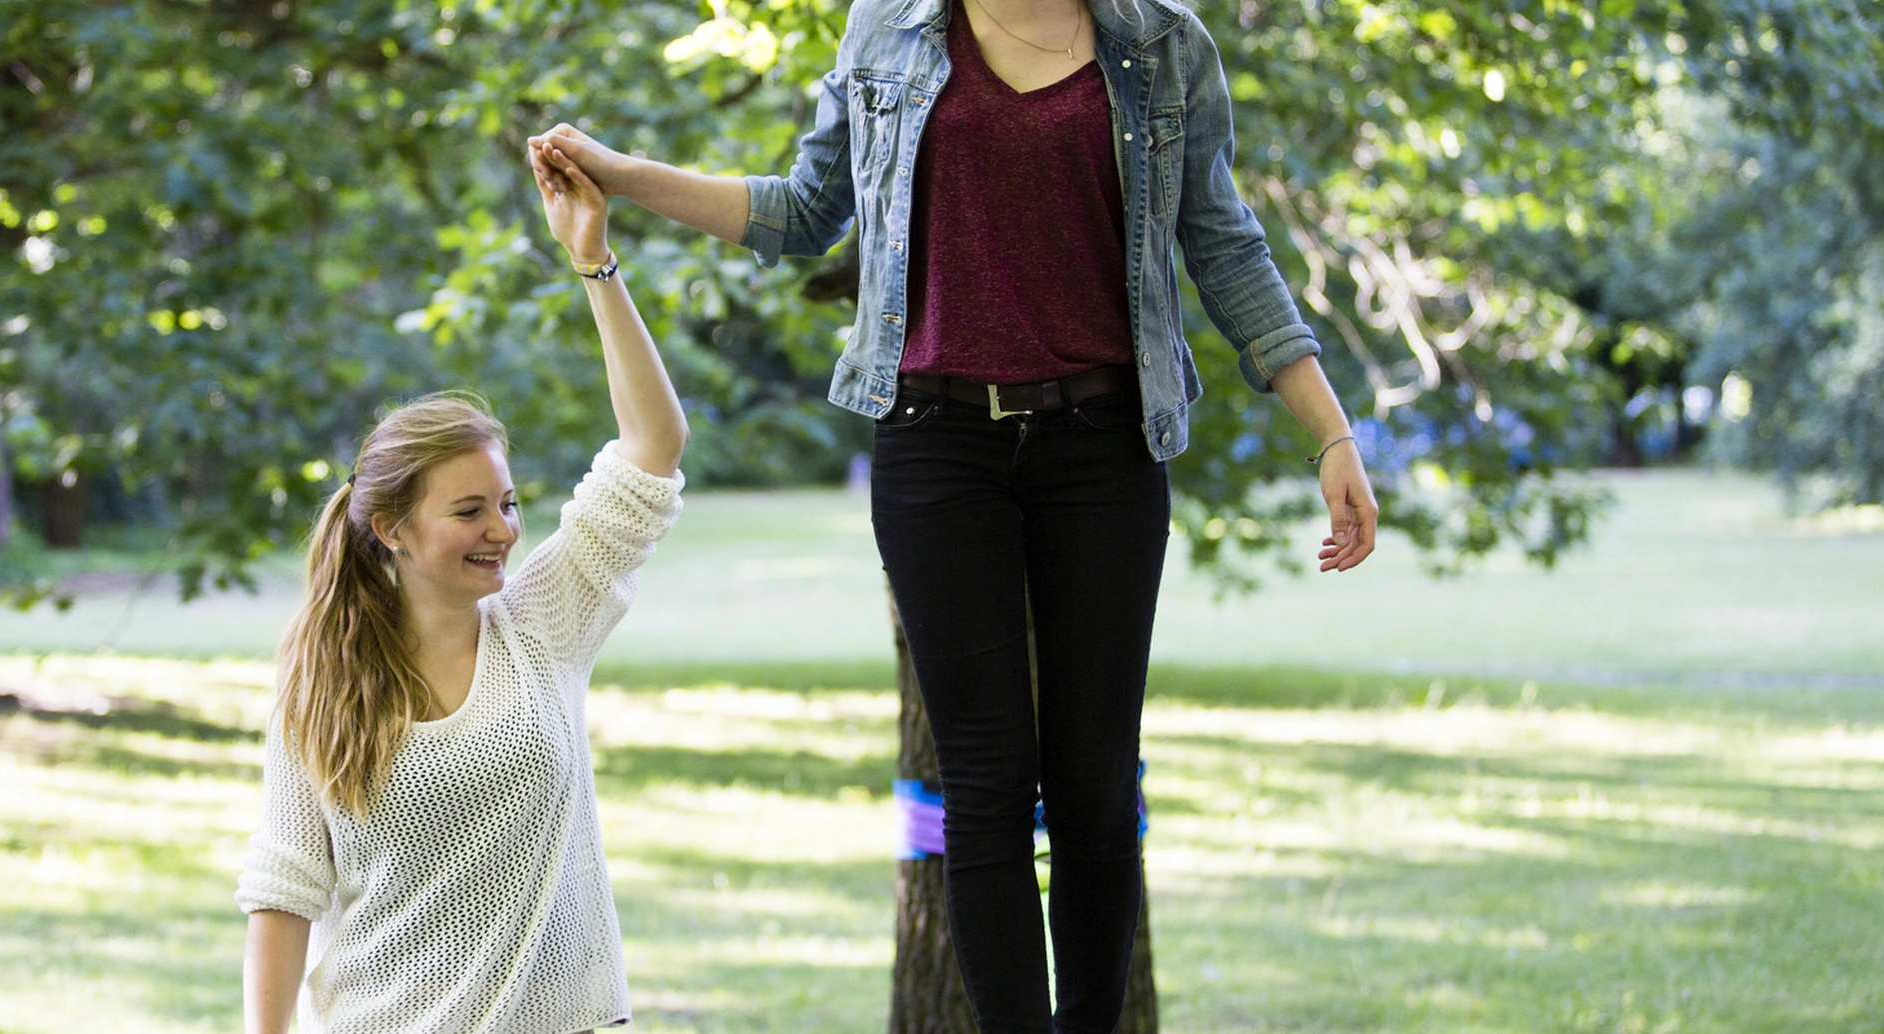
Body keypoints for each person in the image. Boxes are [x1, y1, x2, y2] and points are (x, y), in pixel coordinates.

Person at [530, 0, 1378, 1028]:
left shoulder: (1161, 44)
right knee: (982, 782)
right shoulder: (885, 29)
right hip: (935, 443)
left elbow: (1223, 243)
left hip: (1101, 444)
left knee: (1095, 783)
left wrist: (1329, 433)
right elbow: (805, 208)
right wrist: (620, 175)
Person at [235, 141, 685, 1034]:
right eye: (470, 510)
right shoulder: (322, 681)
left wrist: (593, 261)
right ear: (392, 530)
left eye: (509, 504)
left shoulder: (543, 620)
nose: (504, 530)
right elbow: (284, 892)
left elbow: (653, 447)